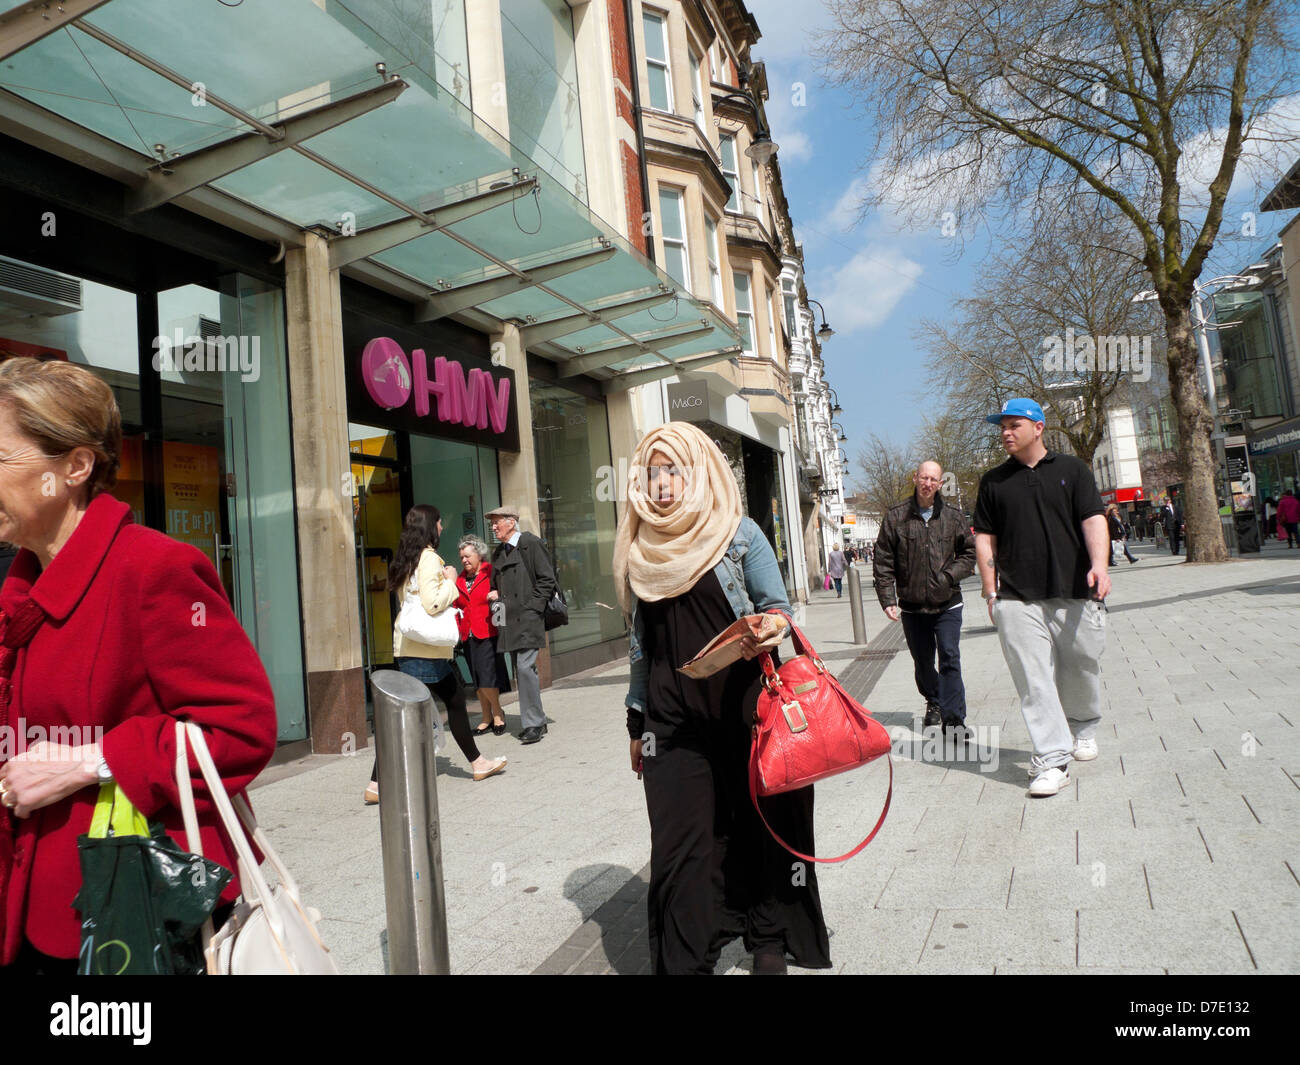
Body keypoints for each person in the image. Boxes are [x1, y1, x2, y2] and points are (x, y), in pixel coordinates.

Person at [0, 357, 277, 972]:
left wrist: (88, 761)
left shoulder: (154, 569)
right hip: (29, 906)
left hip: (129, 915)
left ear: (74, 466)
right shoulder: (22, 583)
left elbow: (241, 728)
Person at [617, 422, 830, 975]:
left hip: (747, 713)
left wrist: (768, 627)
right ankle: (689, 958)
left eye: (673, 470)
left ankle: (767, 940)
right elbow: (643, 649)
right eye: (652, 472)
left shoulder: (738, 534)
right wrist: (636, 723)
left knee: (762, 829)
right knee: (680, 847)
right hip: (671, 723)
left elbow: (779, 609)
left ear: (698, 471)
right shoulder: (640, 546)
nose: (662, 483)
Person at [974, 398, 1110, 799]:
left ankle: (1083, 725)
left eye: (1014, 424)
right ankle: (1052, 759)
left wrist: (1099, 564)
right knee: (1033, 679)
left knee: (1080, 665)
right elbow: (985, 538)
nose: (1005, 432)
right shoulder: (993, 482)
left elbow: (1092, 518)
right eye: (1001, 426)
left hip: (1073, 589)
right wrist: (990, 588)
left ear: (1038, 427)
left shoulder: (1073, 470)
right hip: (1016, 596)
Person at [367, 505, 507, 803]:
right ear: (431, 525)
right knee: (425, 712)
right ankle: (377, 783)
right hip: (426, 651)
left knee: (447, 702)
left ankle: (476, 763)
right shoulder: (429, 559)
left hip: (411, 647)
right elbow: (433, 604)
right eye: (440, 522)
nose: (443, 527)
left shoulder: (407, 557)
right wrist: (453, 583)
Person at [873, 460, 976, 734]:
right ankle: (934, 700)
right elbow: (883, 560)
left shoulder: (953, 517)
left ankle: (954, 719)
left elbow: (969, 553)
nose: (928, 483)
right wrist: (888, 599)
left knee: (950, 656)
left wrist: (948, 576)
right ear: (915, 479)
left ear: (940, 483)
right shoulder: (896, 517)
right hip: (913, 605)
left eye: (934, 479)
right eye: (924, 478)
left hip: (948, 602)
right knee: (922, 661)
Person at [485, 505, 557, 745]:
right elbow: (495, 584)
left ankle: (534, 723)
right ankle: (537, 718)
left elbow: (548, 579)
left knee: (525, 669)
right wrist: (494, 594)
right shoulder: (499, 553)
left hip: (527, 618)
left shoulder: (531, 544)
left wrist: (533, 608)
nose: (493, 527)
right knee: (522, 670)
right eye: (492, 523)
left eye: (497, 522)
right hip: (509, 620)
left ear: (511, 522)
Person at [456, 534, 510, 736]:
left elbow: (504, 593)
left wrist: (497, 596)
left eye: (468, 556)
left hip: (488, 630)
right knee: (477, 678)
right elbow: (456, 605)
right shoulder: (460, 579)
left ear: (479, 554)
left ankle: (498, 713)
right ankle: (485, 717)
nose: (464, 560)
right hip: (467, 633)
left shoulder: (491, 572)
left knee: (487, 676)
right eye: (461, 557)